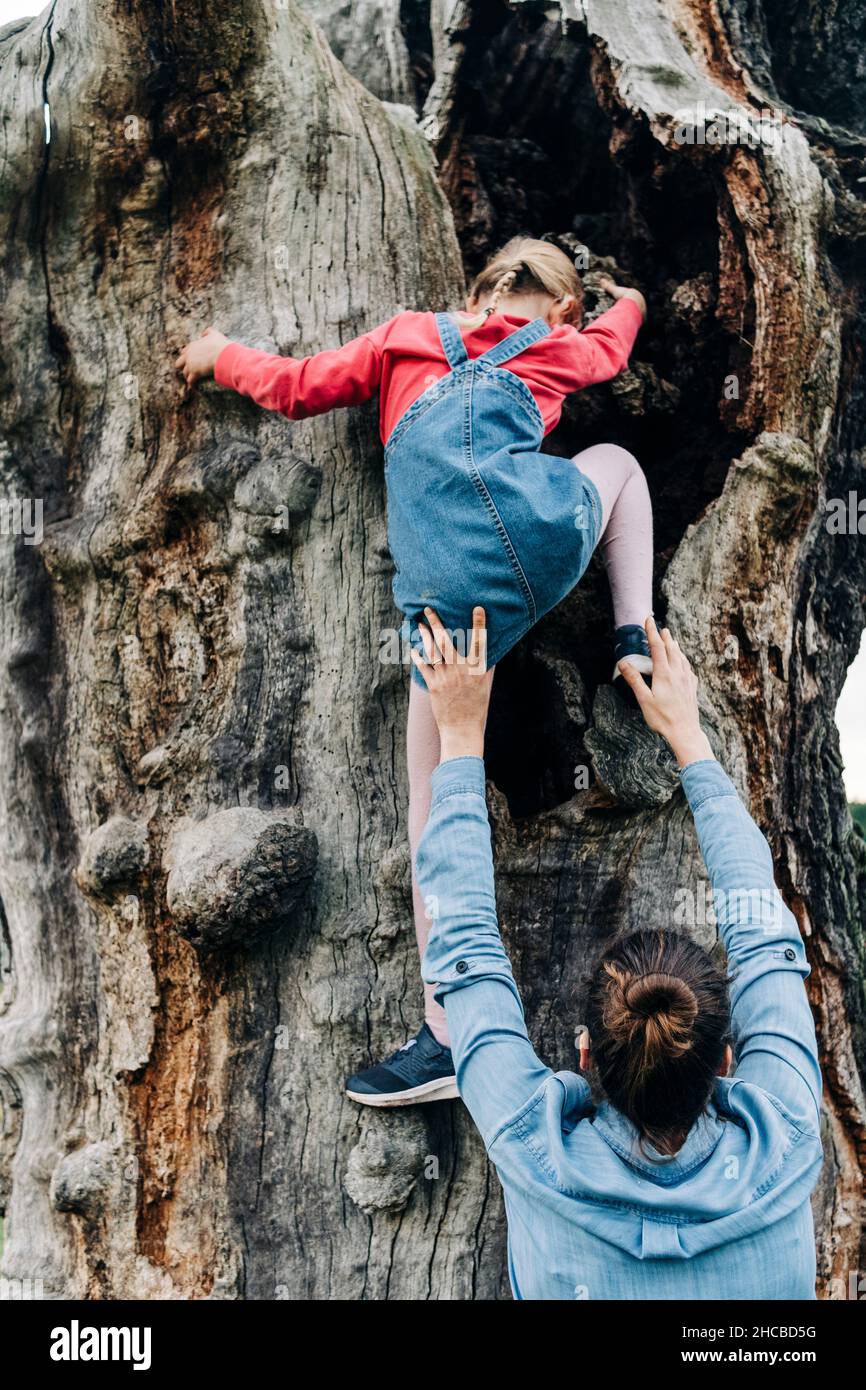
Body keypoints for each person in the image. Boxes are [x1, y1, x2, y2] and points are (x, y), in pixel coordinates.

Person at [175, 237, 654, 1102]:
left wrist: (218, 357)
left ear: (475, 294)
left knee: (431, 805)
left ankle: (443, 1035)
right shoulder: (558, 344)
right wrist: (631, 303)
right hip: (538, 549)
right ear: (563, 309)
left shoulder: (403, 335)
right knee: (617, 465)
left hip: (441, 599)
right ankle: (633, 633)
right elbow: (618, 346)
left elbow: (296, 387)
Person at [411, 606, 822, 1300]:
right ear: (725, 1063)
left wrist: (456, 736)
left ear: (583, 1056)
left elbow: (468, 949)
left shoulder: (531, 1143)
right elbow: (467, 950)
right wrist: (690, 741)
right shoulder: (783, 1138)